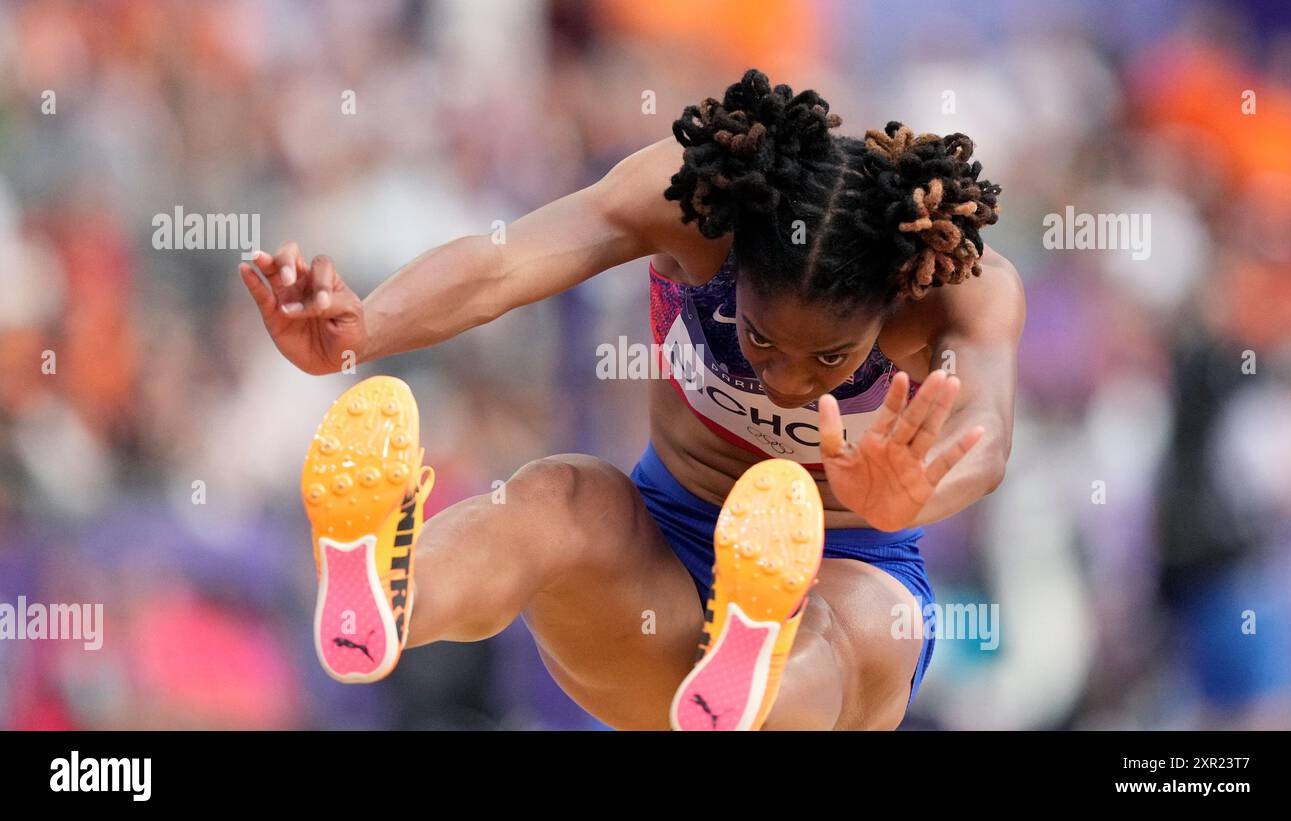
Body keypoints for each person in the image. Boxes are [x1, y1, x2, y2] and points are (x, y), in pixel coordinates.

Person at [238, 69, 1024, 730]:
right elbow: (503, 266)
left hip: (846, 582)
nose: (788, 378)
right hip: (657, 576)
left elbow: (986, 430)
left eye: (829, 357)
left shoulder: (958, 291)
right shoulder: (692, 201)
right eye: (759, 340)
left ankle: (757, 661)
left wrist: (916, 493)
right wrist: (363, 328)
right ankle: (387, 596)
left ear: (892, 301)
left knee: (843, 624)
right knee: (555, 495)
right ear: (735, 257)